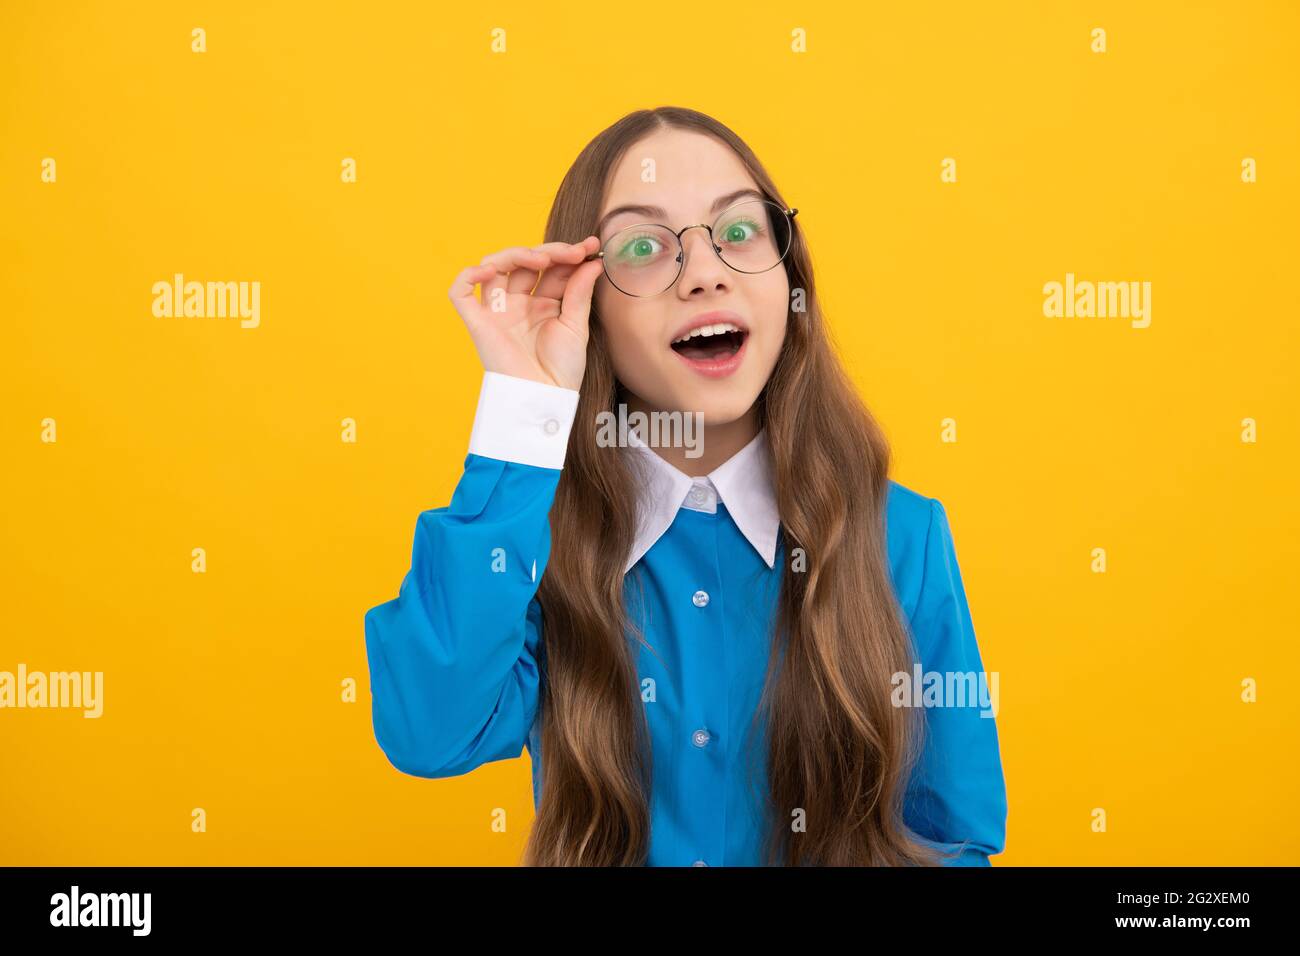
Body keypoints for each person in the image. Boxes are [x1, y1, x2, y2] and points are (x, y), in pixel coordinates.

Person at [364, 106, 1007, 866]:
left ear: (787, 280)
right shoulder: (538, 542)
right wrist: (522, 407)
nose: (705, 272)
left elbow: (956, 837)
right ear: (588, 311)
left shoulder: (902, 537)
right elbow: (431, 730)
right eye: (644, 247)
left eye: (737, 232)